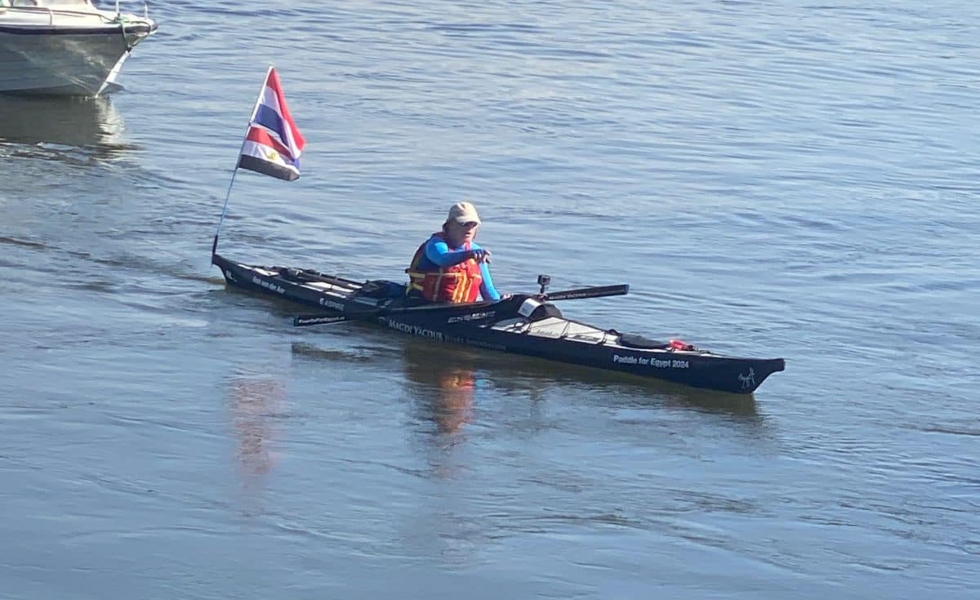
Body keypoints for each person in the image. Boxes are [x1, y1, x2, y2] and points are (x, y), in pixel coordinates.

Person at [406, 201, 502, 303]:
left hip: (459, 308)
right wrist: (468, 254)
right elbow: (443, 259)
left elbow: (488, 290)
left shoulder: (477, 252)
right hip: (423, 304)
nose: (469, 228)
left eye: (473, 224)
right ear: (450, 225)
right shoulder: (435, 244)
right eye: (464, 223)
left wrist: (501, 303)